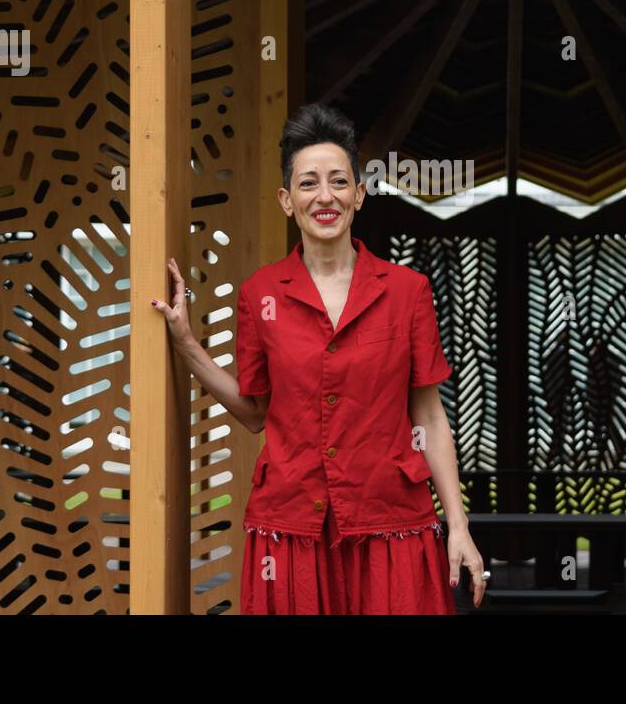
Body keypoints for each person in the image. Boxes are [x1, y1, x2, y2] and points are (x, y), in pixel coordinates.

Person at [152, 102, 487, 614]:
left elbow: (430, 416)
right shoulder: (260, 293)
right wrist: (186, 345)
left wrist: (459, 527)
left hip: (391, 522)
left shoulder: (407, 291)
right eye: (308, 184)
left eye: (338, 181)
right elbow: (255, 412)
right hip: (291, 529)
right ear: (287, 201)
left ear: (359, 193)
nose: (324, 196)